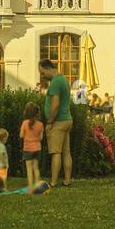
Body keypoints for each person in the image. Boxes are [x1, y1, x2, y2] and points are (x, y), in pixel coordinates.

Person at [39, 57, 72, 188]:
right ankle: (67, 180)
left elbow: (55, 104)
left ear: (48, 69)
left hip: (58, 122)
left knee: (56, 152)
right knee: (66, 152)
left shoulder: (55, 82)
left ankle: (53, 181)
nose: (42, 76)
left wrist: (49, 122)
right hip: (67, 120)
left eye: (42, 72)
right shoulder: (63, 79)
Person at [19, 102, 44, 188]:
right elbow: (41, 138)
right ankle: (37, 186)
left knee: (29, 169)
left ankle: (30, 187)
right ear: (37, 113)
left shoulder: (25, 123)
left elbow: (21, 135)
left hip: (28, 149)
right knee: (36, 168)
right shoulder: (40, 124)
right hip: (37, 148)